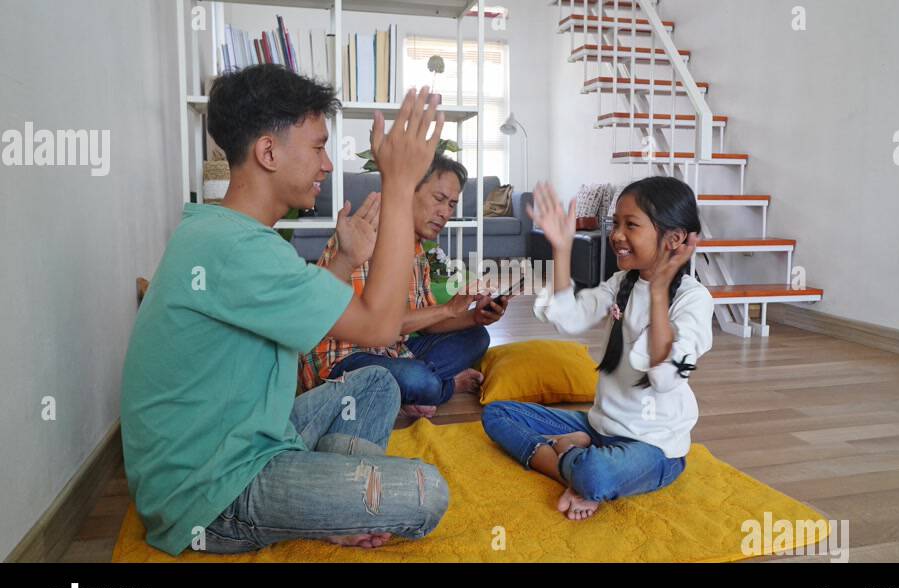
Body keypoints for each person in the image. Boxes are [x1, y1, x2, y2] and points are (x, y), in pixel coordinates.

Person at [120, 64, 449, 556]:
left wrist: (344, 259)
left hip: (251, 435)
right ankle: (333, 500)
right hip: (209, 493)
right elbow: (381, 327)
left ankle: (331, 497)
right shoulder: (238, 249)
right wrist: (400, 184)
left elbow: (310, 329)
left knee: (378, 383)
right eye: (318, 147)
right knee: (428, 494)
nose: (327, 165)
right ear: (268, 152)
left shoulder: (225, 232)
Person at [481, 177, 714, 520]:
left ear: (674, 239)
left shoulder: (693, 300)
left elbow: (665, 378)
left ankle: (577, 469)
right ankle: (570, 463)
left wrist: (660, 291)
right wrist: (561, 250)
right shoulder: (622, 282)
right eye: (615, 223)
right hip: (598, 427)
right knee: (497, 414)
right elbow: (570, 318)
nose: (617, 234)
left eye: (630, 225)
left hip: (652, 448)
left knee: (596, 475)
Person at [299, 155, 510, 419]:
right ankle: (441, 387)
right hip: (343, 359)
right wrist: (449, 310)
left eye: (452, 204)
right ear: (408, 191)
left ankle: (404, 389)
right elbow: (379, 324)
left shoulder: (418, 248)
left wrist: (473, 316)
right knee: (422, 381)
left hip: (392, 352)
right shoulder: (368, 236)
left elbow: (426, 323)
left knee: (478, 337)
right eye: (439, 198)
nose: (445, 212)